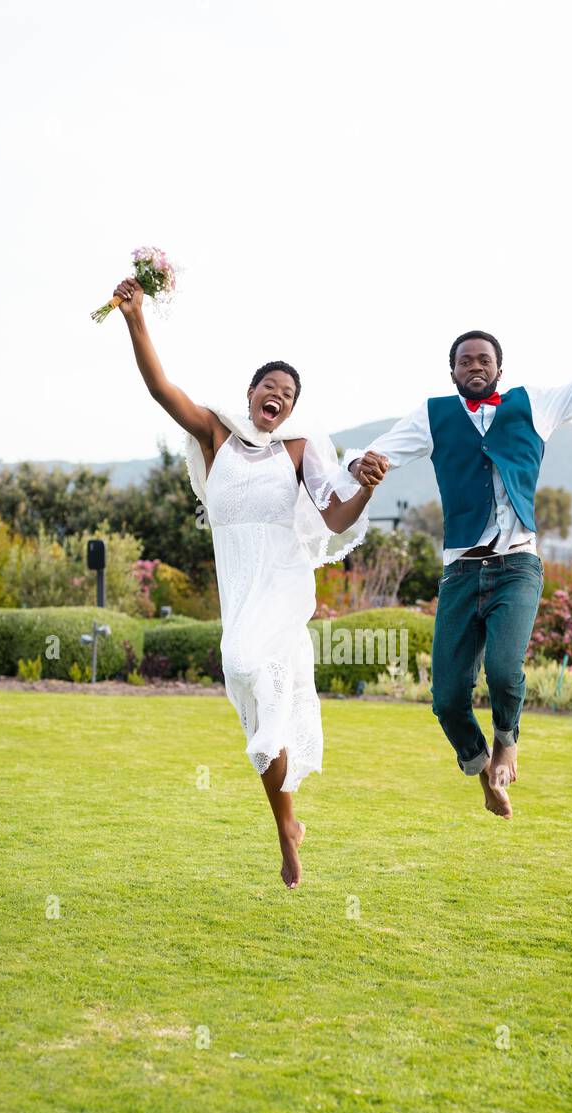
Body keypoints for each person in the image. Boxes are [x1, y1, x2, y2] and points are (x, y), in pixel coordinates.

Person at [344, 266, 572, 819]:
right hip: (461, 571)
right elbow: (378, 453)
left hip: (517, 566)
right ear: (452, 371)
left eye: (483, 359)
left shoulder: (534, 403)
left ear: (499, 368)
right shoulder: (434, 416)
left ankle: (508, 738)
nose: (474, 367)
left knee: (505, 670)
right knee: (445, 699)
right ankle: (482, 767)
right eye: (465, 361)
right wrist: (357, 462)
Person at [113, 276, 386, 887]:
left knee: (241, 662)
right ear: (252, 391)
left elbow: (333, 515)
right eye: (270, 387)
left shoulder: (298, 450)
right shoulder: (217, 434)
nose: (278, 398)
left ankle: (287, 820)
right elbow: (162, 390)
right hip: (240, 588)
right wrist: (136, 318)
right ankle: (287, 827)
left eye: (288, 394)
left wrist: (365, 486)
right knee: (258, 721)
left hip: (284, 583)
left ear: (293, 407)